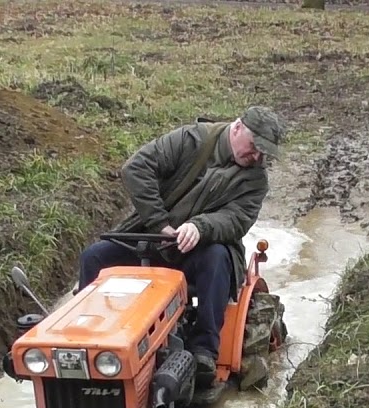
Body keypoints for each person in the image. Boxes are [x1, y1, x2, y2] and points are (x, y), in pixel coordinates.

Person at [77, 106, 286, 386]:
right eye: (254, 147)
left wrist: (200, 227)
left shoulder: (255, 180)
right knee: (94, 258)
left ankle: (204, 351)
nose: (257, 157)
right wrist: (160, 224)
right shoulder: (191, 139)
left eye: (264, 154)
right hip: (151, 238)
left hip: (200, 250)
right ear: (237, 128)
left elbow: (237, 219)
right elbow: (136, 168)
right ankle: (90, 343)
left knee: (216, 259)